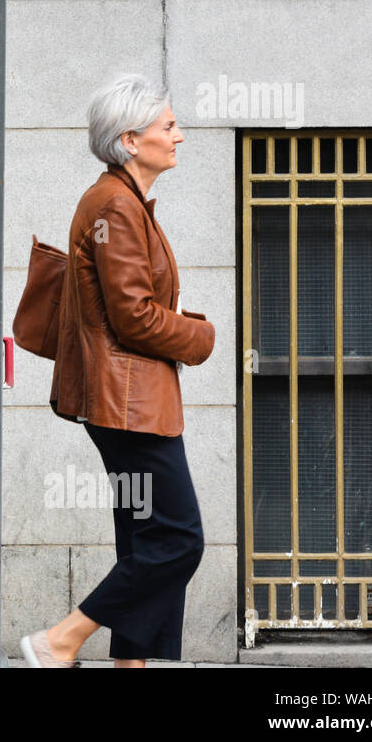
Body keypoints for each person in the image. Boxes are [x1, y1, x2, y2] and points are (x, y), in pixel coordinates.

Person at [21, 73, 216, 668]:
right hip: (129, 404)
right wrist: (201, 336)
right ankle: (60, 640)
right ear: (130, 139)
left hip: (129, 400)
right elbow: (133, 318)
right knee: (179, 540)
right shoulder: (114, 205)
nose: (180, 135)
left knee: (146, 539)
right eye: (168, 126)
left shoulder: (122, 202)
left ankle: (129, 663)